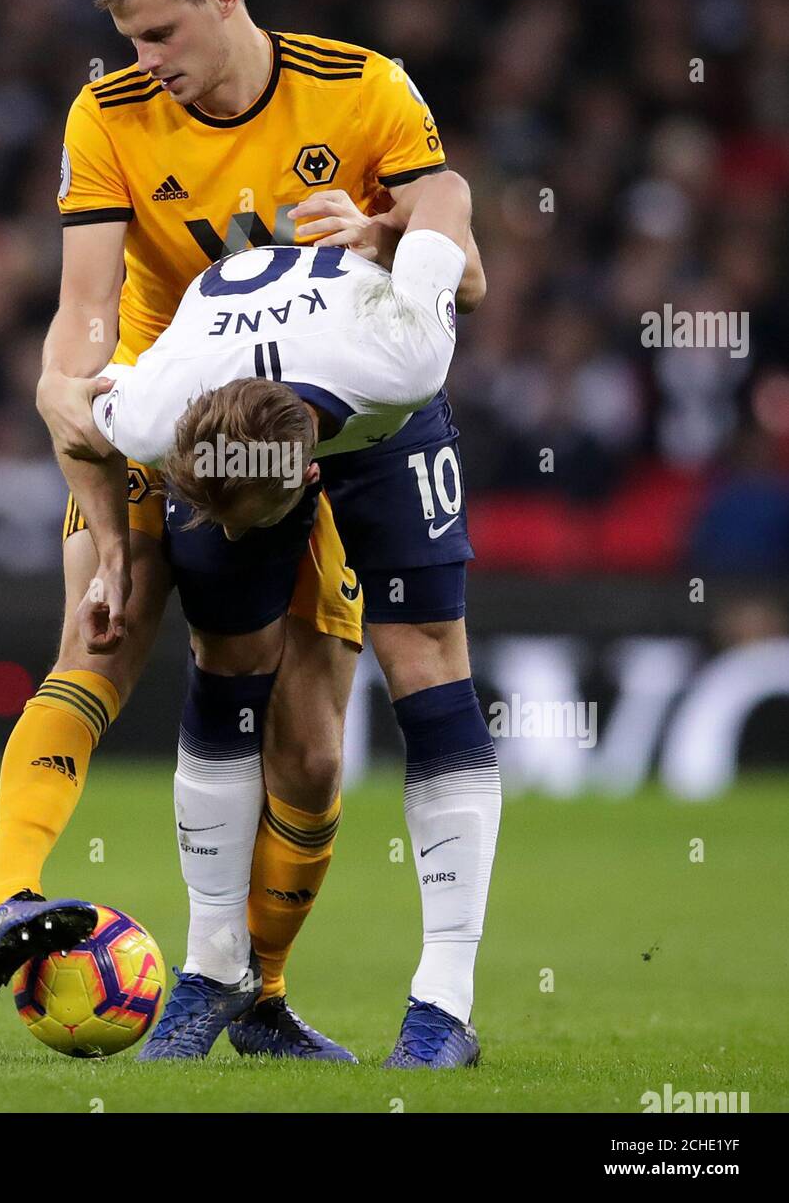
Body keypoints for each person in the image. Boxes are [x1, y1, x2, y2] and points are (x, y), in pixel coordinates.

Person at [0, 0, 485, 1061]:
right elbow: (84, 324)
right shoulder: (108, 117)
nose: (143, 66)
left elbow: (464, 261)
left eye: (158, 38)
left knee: (306, 735)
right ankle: (6, 895)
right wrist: (96, 476)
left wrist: (387, 228)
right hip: (168, 420)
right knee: (100, 628)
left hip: (323, 427)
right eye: (129, 42)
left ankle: (260, 996)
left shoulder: (363, 92)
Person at [68, 172, 500, 1068]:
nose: (224, 531)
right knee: (224, 665)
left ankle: (444, 1005)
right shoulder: (158, 411)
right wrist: (113, 552)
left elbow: (449, 191)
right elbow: (64, 409)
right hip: (244, 396)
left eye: (239, 520)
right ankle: (215, 964)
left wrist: (383, 228)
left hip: (387, 425)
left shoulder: (406, 348)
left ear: (305, 488)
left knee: (428, 663)